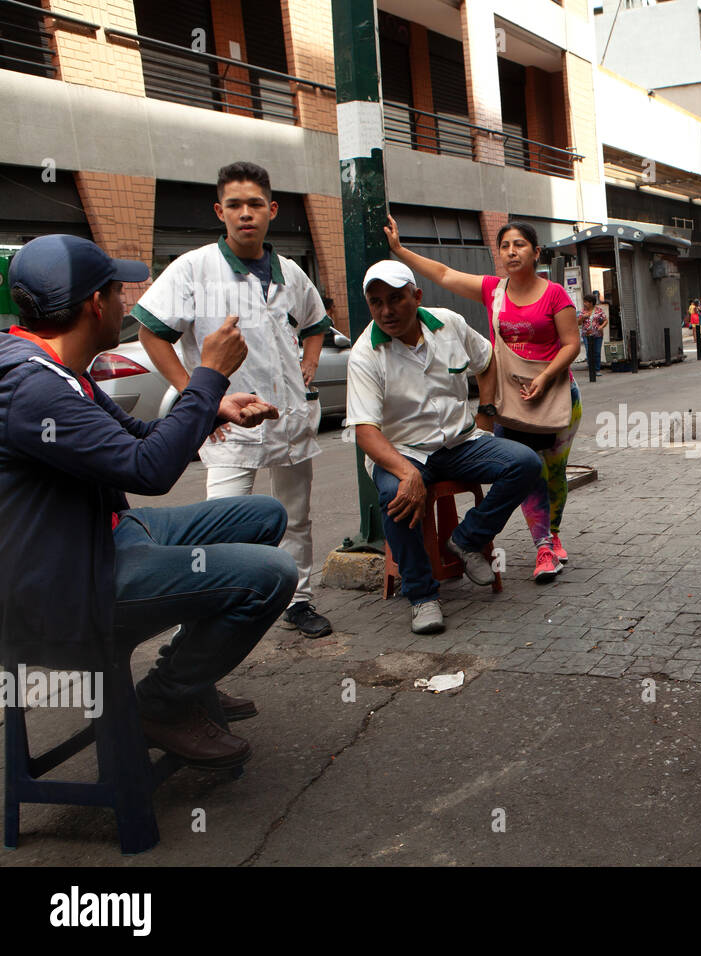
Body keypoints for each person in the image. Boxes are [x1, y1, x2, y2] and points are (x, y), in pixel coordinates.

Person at [0, 235, 291, 768]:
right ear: (94, 304)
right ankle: (160, 702)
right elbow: (150, 469)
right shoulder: (34, 389)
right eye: (117, 292)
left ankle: (189, 677)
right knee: (271, 573)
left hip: (104, 539)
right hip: (66, 585)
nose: (124, 304)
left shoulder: (58, 370)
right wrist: (208, 375)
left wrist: (215, 408)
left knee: (263, 515)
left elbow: (137, 436)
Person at [133, 161, 334, 638]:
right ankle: (204, 617)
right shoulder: (193, 268)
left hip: (287, 417)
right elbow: (151, 333)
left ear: (273, 210)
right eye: (236, 205)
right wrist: (194, 396)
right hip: (228, 419)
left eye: (256, 204)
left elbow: (316, 324)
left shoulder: (290, 273)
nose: (246, 213)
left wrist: (308, 364)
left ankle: (298, 600)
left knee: (295, 517)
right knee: (220, 524)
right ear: (219, 210)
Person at [345, 261, 541, 633]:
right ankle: (421, 596)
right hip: (405, 451)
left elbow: (487, 362)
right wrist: (406, 473)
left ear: (416, 297)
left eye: (396, 299)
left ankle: (466, 540)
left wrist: (485, 415)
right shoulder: (365, 355)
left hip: (460, 442)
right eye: (376, 302)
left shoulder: (449, 323)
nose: (386, 311)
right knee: (396, 496)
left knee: (525, 463)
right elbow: (366, 432)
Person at [385, 216, 581, 583]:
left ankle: (552, 534)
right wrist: (400, 251)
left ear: (536, 252)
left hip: (555, 394)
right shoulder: (493, 289)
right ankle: (542, 547)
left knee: (553, 473)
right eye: (505, 246)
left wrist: (543, 377)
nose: (511, 251)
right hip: (511, 400)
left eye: (519, 245)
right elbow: (443, 274)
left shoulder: (555, 294)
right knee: (527, 470)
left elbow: (572, 344)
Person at [578, 291, 607, 377]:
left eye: (586, 302)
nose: (584, 303)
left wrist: (601, 326)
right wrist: (583, 317)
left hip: (598, 335)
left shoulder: (599, 311)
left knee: (597, 352)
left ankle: (597, 369)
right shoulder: (582, 312)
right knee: (589, 352)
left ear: (591, 303)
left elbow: (605, 320)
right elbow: (578, 323)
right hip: (586, 335)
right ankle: (591, 369)